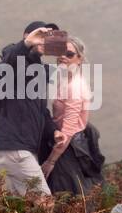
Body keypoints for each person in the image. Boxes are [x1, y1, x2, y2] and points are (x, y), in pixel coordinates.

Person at [0, 21, 59, 198]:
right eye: (42, 37)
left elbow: (41, 111)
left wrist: (53, 131)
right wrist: (27, 43)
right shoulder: (13, 57)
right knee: (44, 203)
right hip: (16, 146)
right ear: (27, 36)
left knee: (23, 207)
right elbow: (9, 61)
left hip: (25, 147)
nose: (45, 42)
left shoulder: (36, 70)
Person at [41, 37, 100, 195]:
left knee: (65, 197)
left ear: (79, 59)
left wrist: (51, 161)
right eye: (60, 52)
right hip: (63, 144)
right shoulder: (65, 80)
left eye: (69, 54)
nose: (63, 56)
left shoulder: (75, 87)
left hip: (68, 149)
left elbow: (68, 129)